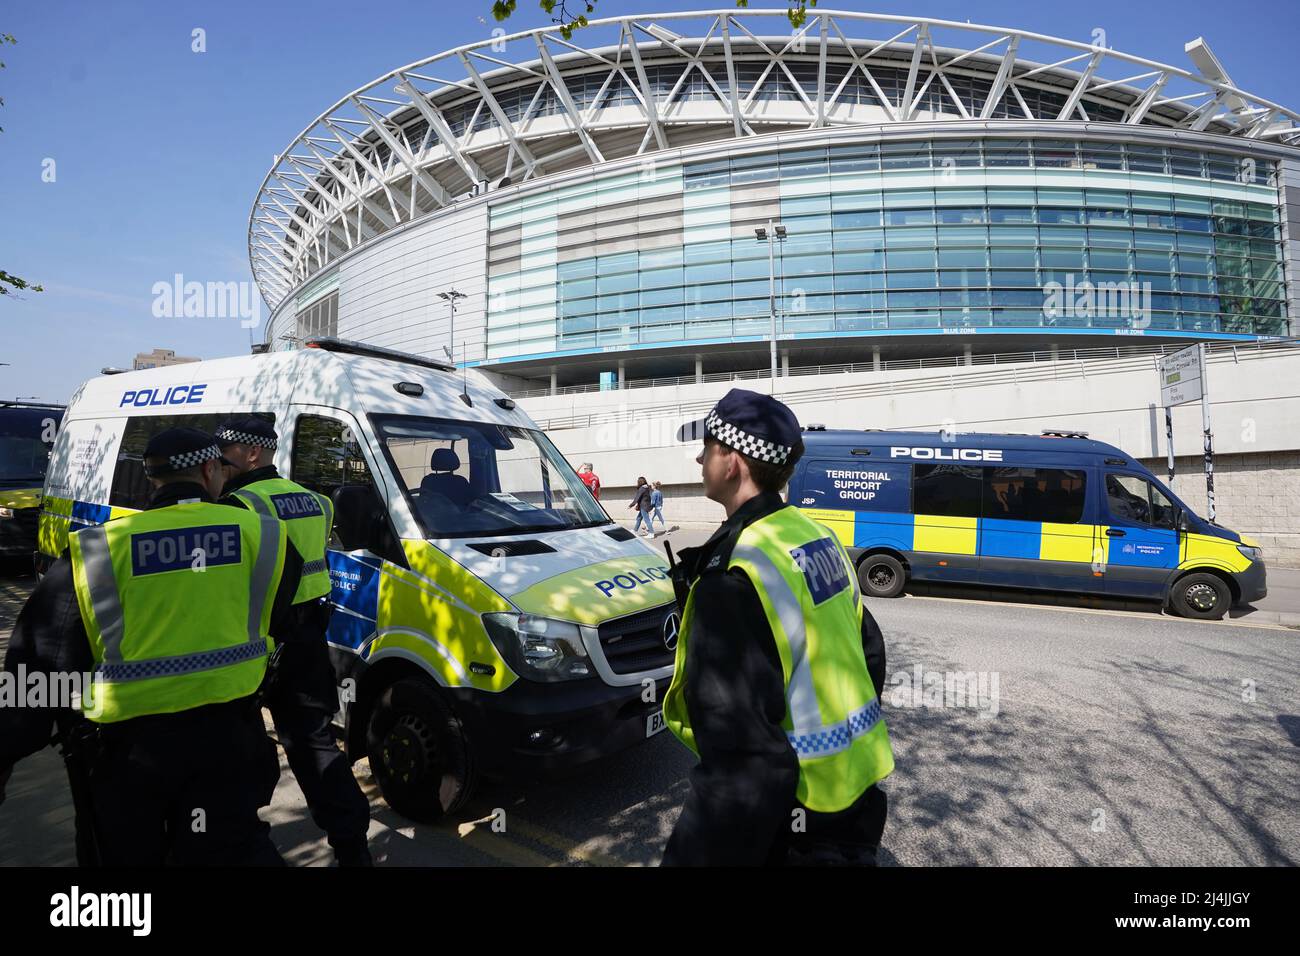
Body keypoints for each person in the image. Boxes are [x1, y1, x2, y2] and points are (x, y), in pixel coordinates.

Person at [0, 427, 297, 865]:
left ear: (152, 477)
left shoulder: (100, 547)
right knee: (229, 848)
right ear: (209, 469)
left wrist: (10, 745)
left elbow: (44, 660)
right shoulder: (266, 534)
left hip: (130, 755)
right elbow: (280, 616)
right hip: (228, 741)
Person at [660, 389, 895, 866]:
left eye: (708, 447)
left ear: (733, 463)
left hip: (795, 816)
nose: (700, 457)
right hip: (857, 791)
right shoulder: (816, 536)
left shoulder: (734, 574)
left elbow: (741, 762)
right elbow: (868, 650)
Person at [215, 415, 373, 867]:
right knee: (315, 745)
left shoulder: (239, 506)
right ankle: (352, 846)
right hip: (307, 640)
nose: (219, 466)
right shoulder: (317, 501)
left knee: (235, 746)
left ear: (251, 453)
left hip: (256, 640)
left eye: (225, 457)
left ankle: (247, 842)